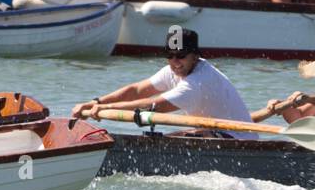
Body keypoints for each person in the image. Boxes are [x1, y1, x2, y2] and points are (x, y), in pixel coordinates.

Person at [71, 29, 255, 137]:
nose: (175, 62)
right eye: (170, 56)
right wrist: (97, 102)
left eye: (181, 56)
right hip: (210, 132)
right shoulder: (175, 69)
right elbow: (136, 90)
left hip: (237, 140)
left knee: (178, 137)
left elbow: (153, 106)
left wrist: (105, 109)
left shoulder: (198, 82)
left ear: (196, 57)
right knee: (170, 137)